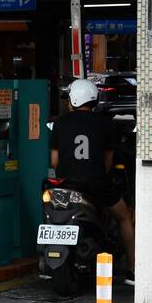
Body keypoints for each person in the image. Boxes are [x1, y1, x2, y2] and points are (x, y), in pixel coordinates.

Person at [50, 78, 135, 280]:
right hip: (96, 183)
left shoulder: (60, 124)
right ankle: (133, 268)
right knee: (124, 217)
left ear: (75, 100)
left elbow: (54, 161)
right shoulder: (105, 123)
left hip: (66, 185)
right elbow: (107, 162)